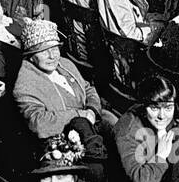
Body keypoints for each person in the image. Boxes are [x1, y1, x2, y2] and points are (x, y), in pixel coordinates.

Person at [13, 16, 110, 144]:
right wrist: (79, 115)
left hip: (92, 120)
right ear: (31, 56)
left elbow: (87, 88)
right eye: (43, 51)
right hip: (65, 138)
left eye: (54, 49)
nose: (52, 56)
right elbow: (37, 122)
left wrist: (91, 110)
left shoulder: (64, 64)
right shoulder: (25, 84)